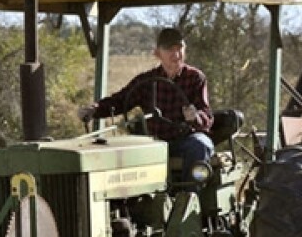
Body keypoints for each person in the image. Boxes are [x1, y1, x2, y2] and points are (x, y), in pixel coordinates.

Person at [78, 27, 214, 182]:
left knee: (200, 144)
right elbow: (120, 100)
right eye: (170, 50)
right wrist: (94, 109)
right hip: (154, 143)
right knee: (119, 150)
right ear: (157, 54)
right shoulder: (146, 81)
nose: (176, 55)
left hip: (184, 141)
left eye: (180, 49)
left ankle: (189, 195)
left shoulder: (195, 78)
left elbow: (206, 114)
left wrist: (195, 117)